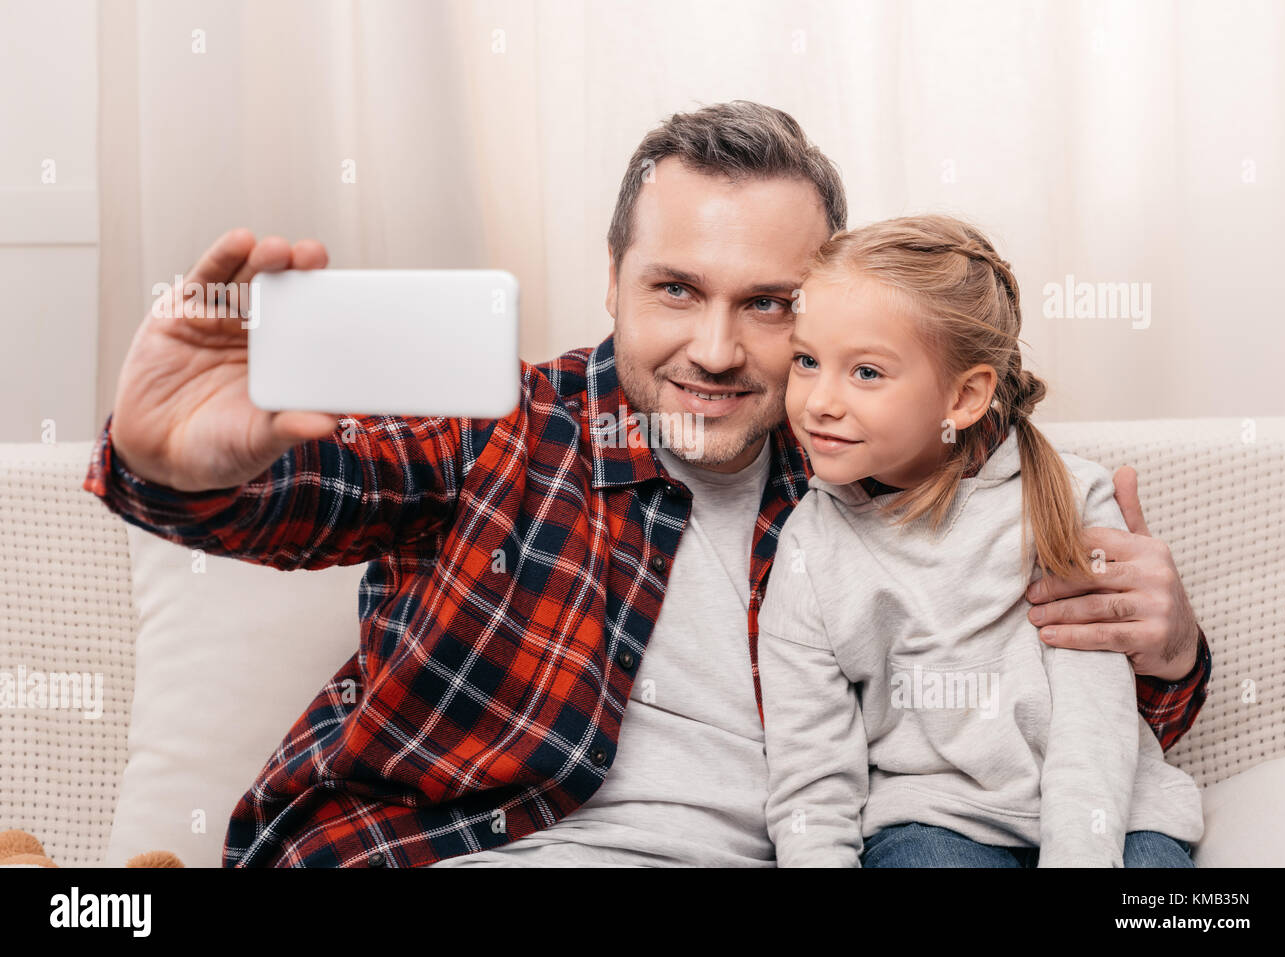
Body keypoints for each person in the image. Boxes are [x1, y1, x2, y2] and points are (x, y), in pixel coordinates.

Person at [83, 101, 1211, 867]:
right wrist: (168, 464)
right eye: (676, 289)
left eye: (768, 304)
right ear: (611, 280)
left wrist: (1164, 654)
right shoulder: (505, 421)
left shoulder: (877, 483)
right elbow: (309, 493)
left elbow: (1005, 720)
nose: (716, 351)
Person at [759, 215, 1203, 868]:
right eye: (806, 360)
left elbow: (1095, 722)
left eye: (867, 373)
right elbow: (811, 766)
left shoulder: (1072, 497)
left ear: (965, 396)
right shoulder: (809, 546)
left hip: (1111, 816)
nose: (819, 400)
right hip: (933, 824)